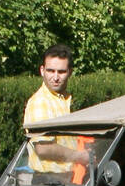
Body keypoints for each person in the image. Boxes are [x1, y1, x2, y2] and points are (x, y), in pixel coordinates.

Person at [23, 45, 88, 178]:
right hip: (48, 181)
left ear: (70, 72)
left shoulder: (66, 100)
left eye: (61, 71)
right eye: (51, 71)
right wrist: (79, 156)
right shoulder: (40, 102)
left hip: (71, 178)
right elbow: (43, 148)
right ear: (42, 70)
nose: (56, 77)